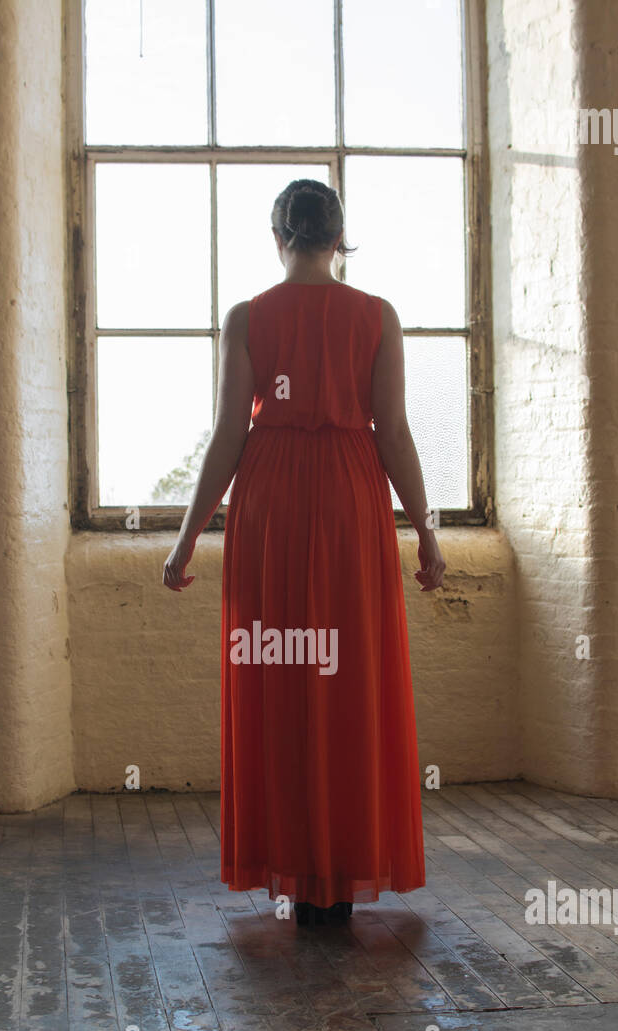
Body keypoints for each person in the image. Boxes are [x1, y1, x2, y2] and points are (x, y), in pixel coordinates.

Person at [163, 179, 445, 926]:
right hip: (352, 502)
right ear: (339, 238)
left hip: (272, 506)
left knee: (280, 677)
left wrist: (186, 539)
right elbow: (394, 433)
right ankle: (342, 870)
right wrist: (425, 528)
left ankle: (292, 866)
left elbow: (228, 435)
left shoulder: (247, 319)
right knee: (353, 681)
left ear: (277, 237)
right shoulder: (377, 317)